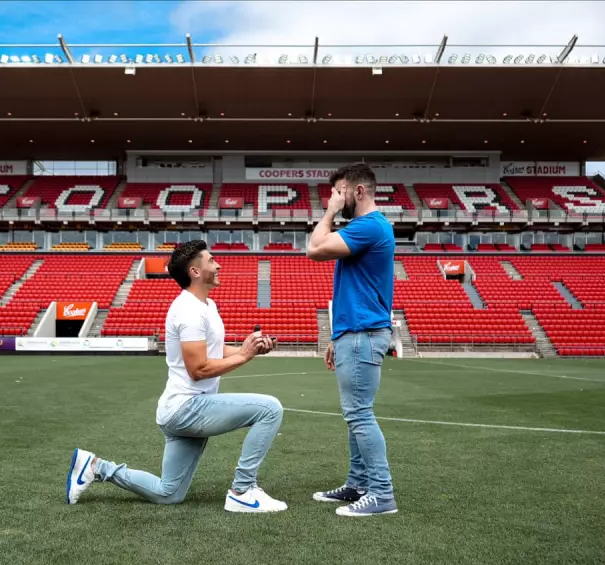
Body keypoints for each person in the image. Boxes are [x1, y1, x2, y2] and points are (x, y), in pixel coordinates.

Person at [66, 240, 288, 513]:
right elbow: (199, 370)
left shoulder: (207, 306)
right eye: (211, 260)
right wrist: (243, 356)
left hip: (181, 410)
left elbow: (214, 350)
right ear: (195, 271)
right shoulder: (189, 310)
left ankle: (97, 467)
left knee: (168, 493)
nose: (218, 264)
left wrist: (249, 349)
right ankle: (242, 491)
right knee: (269, 409)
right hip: (187, 408)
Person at [306, 163, 398, 517]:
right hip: (354, 332)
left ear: (359, 192)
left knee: (359, 414)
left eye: (339, 191)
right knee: (355, 413)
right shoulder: (367, 227)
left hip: (363, 334)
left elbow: (314, 249)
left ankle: (382, 493)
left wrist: (329, 212)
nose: (335, 198)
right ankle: (359, 483)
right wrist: (336, 335)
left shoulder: (369, 226)